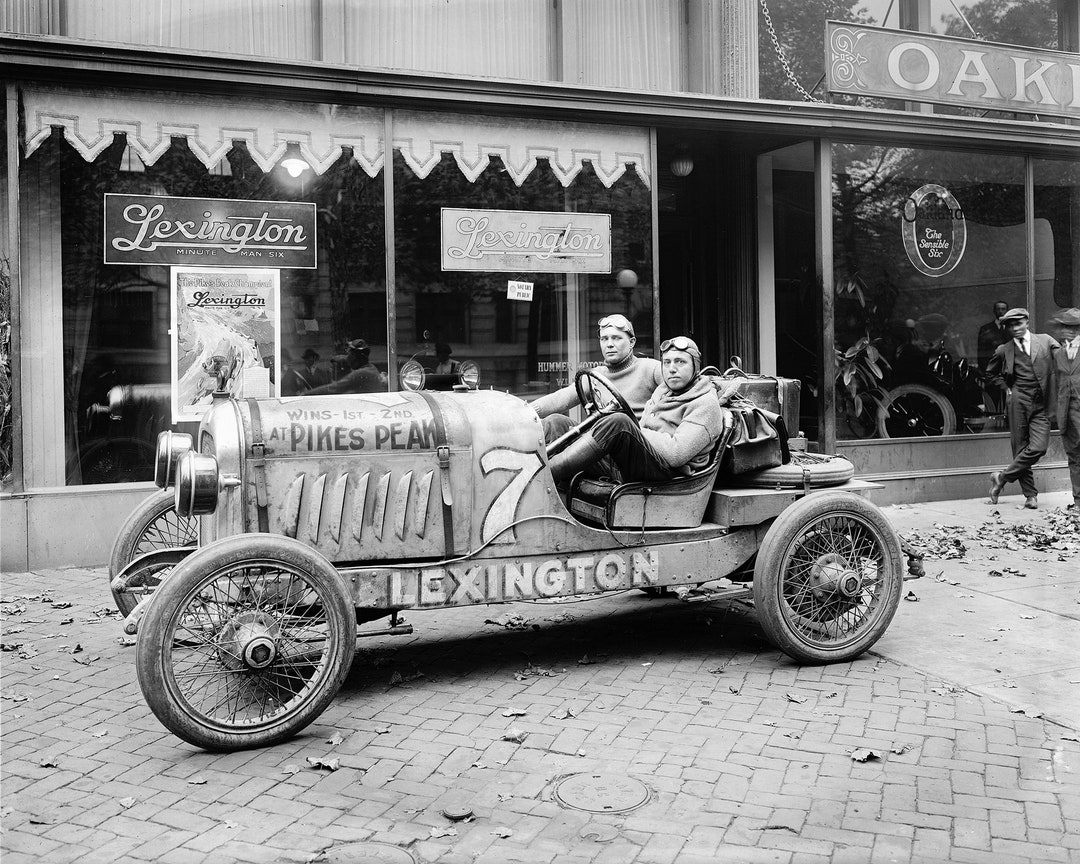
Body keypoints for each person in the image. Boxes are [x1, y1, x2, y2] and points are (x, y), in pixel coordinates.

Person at [547, 336, 723, 485]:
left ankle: (543, 477)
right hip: (637, 463)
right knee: (557, 423)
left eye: (680, 362)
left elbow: (675, 454)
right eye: (667, 362)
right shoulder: (662, 391)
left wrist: (634, 430)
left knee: (619, 422)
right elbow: (641, 430)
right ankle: (539, 470)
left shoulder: (705, 404)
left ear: (695, 367)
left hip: (668, 475)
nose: (672, 369)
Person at [530, 314, 662, 442]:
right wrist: (524, 411)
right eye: (604, 339)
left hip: (636, 445)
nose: (609, 344)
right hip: (603, 444)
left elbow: (674, 391)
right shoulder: (596, 375)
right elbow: (561, 398)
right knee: (555, 422)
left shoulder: (651, 368)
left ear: (631, 342)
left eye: (616, 338)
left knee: (617, 420)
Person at [987, 308, 1060, 510]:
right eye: (1010, 325)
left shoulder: (1045, 340)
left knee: (1038, 448)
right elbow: (990, 374)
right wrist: (1007, 389)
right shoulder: (1004, 350)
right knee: (1020, 448)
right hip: (1018, 400)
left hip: (1042, 401)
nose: (1015, 328)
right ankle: (1030, 495)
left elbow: (1064, 356)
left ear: (1027, 322)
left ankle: (1001, 477)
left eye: (1018, 323)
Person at [1051, 308, 1080, 509]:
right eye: (1064, 327)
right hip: (1066, 413)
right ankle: (1078, 500)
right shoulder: (1058, 353)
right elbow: (1057, 382)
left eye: (1073, 327)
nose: (1068, 331)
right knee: (1074, 456)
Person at [307, 339, 387, 394]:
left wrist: (305, 395)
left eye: (349, 354)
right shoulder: (370, 367)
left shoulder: (361, 374)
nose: (348, 358)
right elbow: (347, 358)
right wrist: (338, 358)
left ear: (355, 357)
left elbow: (333, 388)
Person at [977, 300, 1010, 371]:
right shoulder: (985, 329)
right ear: (994, 311)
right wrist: (985, 371)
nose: (1000, 311)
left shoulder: (1012, 328)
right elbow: (981, 353)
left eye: (1003, 309)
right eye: (998, 309)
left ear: (1007, 311)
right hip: (992, 368)